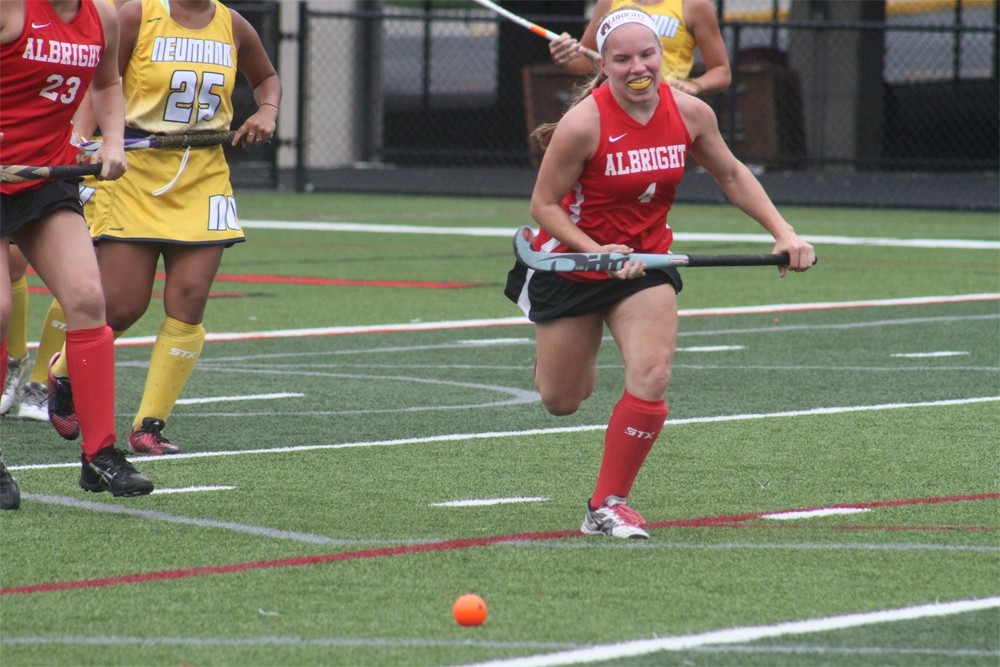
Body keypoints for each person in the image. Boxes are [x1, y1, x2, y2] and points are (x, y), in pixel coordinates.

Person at [504, 7, 815, 539]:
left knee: (652, 374)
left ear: (661, 55)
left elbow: (731, 173)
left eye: (647, 55)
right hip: (573, 264)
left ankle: (607, 505)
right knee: (562, 400)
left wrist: (784, 233)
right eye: (623, 59)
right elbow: (544, 206)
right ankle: (558, 360)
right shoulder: (584, 123)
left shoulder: (690, 112)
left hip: (646, 262)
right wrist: (597, 251)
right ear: (604, 65)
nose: (638, 67)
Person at [46, 0, 281, 455]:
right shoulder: (138, 14)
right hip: (133, 170)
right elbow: (100, 82)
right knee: (121, 308)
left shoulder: (233, 24)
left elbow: (266, 78)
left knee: (189, 299)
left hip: (204, 173)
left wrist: (267, 109)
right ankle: (63, 374)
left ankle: (149, 426)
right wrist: (79, 142)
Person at [1, 0, 153, 497]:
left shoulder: (101, 16)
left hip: (44, 178)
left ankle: (99, 455)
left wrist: (112, 142)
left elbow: (106, 85)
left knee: (88, 299)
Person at [548, 0, 731, 97]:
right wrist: (565, 58)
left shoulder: (694, 5)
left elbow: (721, 71)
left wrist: (694, 85)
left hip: (666, 107)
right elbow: (587, 62)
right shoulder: (609, 2)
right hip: (615, 106)